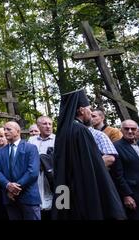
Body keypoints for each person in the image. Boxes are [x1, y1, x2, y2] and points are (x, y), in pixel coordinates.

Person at [52, 89, 126, 220]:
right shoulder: (81, 130)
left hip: (65, 190)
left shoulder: (62, 132)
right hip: (84, 190)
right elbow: (92, 164)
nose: (91, 113)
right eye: (89, 109)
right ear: (81, 110)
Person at [0, 121, 41, 220]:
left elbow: (32, 172)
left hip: (28, 196)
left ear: (18, 131)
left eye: (9, 129)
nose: (5, 132)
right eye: (4, 129)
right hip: (9, 199)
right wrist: (8, 185)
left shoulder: (30, 148)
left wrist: (14, 188)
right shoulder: (0, 151)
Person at [28, 116, 55, 220]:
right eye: (44, 124)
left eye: (50, 124)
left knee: (60, 207)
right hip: (37, 179)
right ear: (38, 126)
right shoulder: (31, 140)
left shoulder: (57, 139)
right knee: (40, 207)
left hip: (54, 179)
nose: (48, 126)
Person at [111, 120, 139, 219]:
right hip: (132, 193)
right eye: (127, 129)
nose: (130, 131)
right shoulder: (116, 147)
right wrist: (127, 195)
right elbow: (117, 175)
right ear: (121, 130)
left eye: (133, 129)